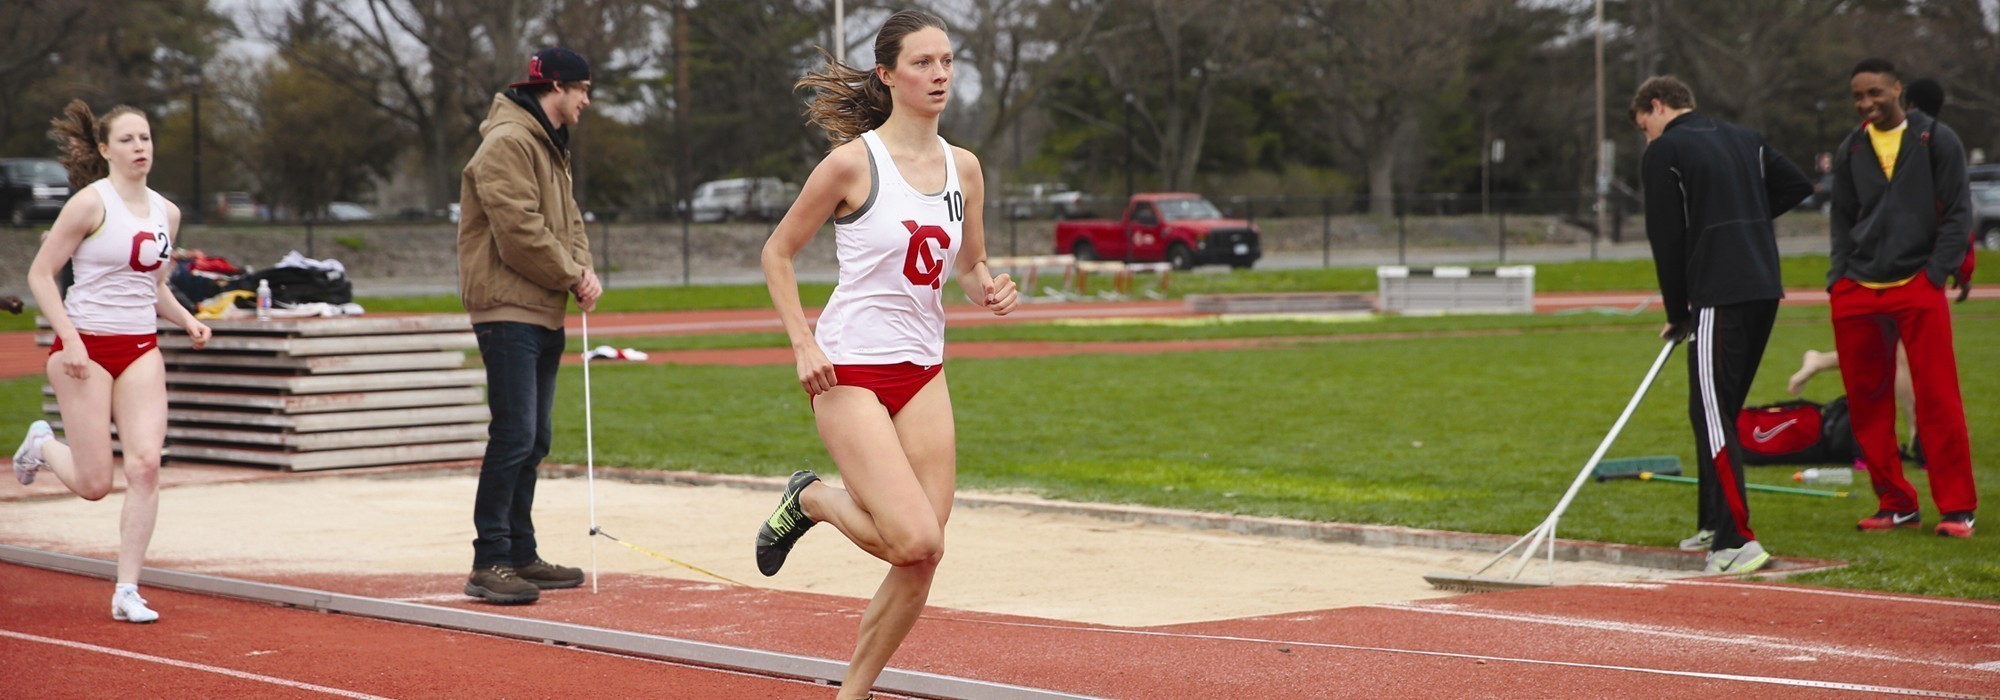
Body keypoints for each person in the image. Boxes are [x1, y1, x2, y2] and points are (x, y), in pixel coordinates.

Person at [756, 10, 1018, 698]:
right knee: (915, 540)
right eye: (923, 63)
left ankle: (854, 692)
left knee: (922, 557)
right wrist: (802, 342)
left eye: (947, 61)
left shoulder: (965, 167)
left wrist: (989, 285)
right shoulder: (851, 163)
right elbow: (777, 253)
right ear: (888, 74)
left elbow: (967, 266)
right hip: (848, 371)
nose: (939, 75)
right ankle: (810, 499)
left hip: (923, 369)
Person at [14, 100, 212, 622]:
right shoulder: (88, 204)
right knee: (96, 484)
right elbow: (40, 274)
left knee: (146, 465)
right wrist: (70, 339)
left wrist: (185, 319)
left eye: (145, 138)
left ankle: (127, 590)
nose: (139, 148)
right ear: (105, 150)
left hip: (140, 347)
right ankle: (39, 443)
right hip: (86, 349)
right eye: (127, 140)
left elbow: (153, 286)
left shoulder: (168, 212)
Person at [1631, 76, 1814, 572]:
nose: (1645, 136)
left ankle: (1736, 542)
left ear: (1657, 106)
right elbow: (1798, 184)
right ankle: (1714, 523)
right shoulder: (1744, 137)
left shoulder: (1664, 151)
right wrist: (1743, 216)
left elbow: (1666, 240)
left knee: (1713, 414)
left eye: (1643, 125)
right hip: (1763, 287)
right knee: (1716, 409)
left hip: (1720, 292)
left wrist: (1676, 313)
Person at [457, 47, 602, 604]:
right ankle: (489, 558)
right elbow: (519, 231)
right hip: (507, 307)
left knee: (535, 436)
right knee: (514, 433)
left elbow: (568, 221)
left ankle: (520, 552)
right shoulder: (509, 142)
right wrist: (571, 274)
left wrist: (582, 270)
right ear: (557, 87)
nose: (587, 101)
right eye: (583, 89)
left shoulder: (548, 143)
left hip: (542, 306)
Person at [1827, 58, 1977, 538]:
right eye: (1858, 97)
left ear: (1897, 89)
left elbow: (1958, 213)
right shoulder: (1851, 147)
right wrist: (1838, 278)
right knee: (1867, 403)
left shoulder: (1937, 139)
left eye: (1875, 93)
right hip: (1858, 286)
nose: (1866, 104)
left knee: (1937, 398)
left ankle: (1956, 508)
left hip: (1917, 283)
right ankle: (1895, 503)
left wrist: (1936, 272)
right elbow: (1841, 218)